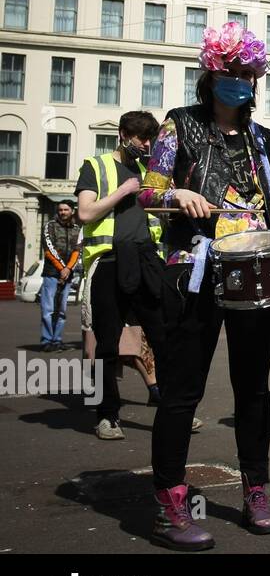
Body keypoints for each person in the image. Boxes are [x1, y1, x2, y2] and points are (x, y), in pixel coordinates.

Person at [138, 25, 270, 549]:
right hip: (193, 268)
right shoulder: (177, 127)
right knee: (183, 391)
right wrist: (180, 195)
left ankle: (256, 488)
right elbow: (147, 193)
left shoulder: (260, 137)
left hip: (248, 269)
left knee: (253, 388)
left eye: (247, 75)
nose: (240, 82)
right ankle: (169, 503)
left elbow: (264, 199)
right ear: (211, 75)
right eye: (231, 73)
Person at [76, 111, 168, 443]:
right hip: (110, 262)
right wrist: (123, 190)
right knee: (107, 344)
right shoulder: (96, 166)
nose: (146, 145)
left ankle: (175, 409)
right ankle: (107, 415)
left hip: (145, 262)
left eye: (150, 139)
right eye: (141, 138)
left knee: (163, 338)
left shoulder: (149, 172)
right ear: (122, 134)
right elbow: (85, 212)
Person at [39, 200, 80, 352]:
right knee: (48, 309)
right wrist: (62, 268)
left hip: (67, 274)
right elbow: (49, 249)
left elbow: (77, 250)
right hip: (51, 273)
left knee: (61, 310)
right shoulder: (49, 226)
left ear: (72, 211)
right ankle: (46, 340)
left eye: (66, 209)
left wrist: (68, 269)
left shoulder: (77, 229)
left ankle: (57, 340)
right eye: (61, 210)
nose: (63, 212)